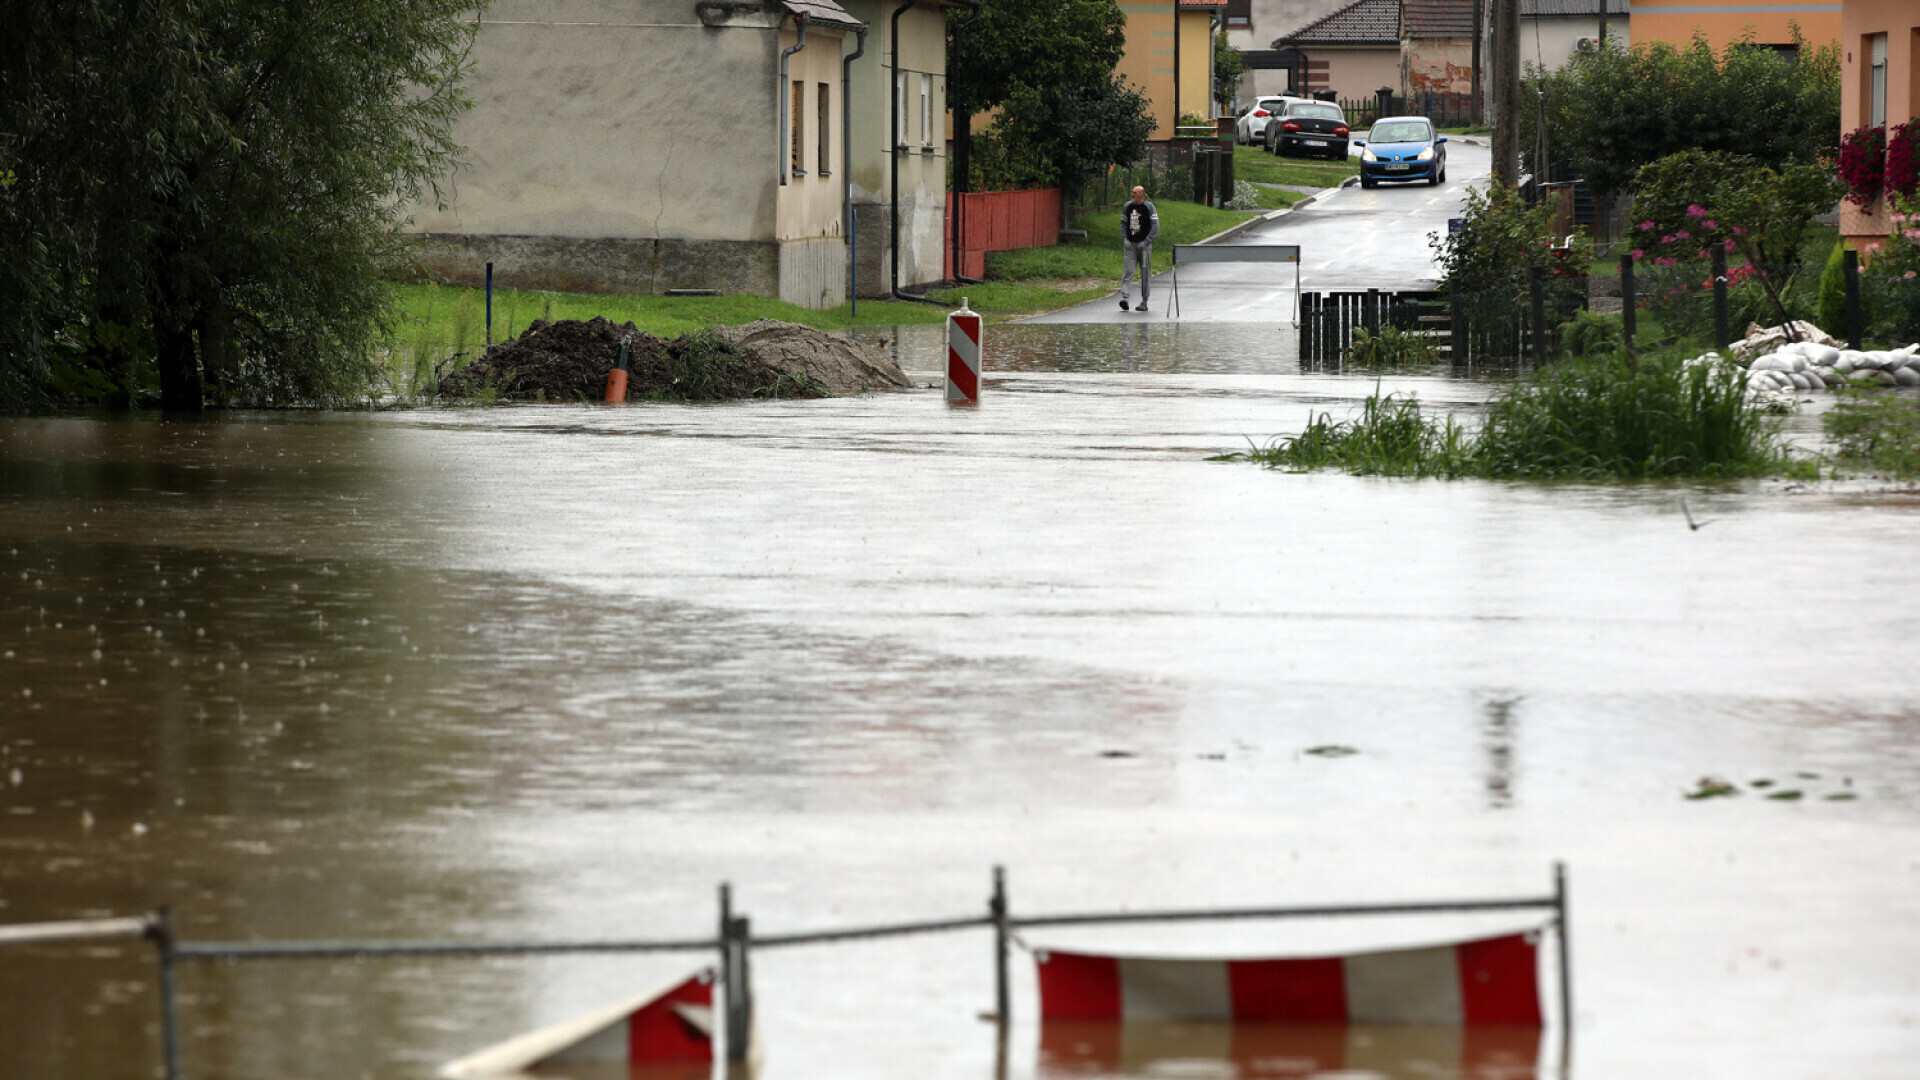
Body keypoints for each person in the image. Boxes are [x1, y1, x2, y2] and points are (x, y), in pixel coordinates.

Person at [1119, 186, 1158, 313]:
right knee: (1128, 270)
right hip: (1130, 245)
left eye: (1135, 193)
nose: (1132, 195)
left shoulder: (1149, 207)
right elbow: (1123, 224)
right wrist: (1125, 239)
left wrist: (1147, 241)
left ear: (1142, 194)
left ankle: (1144, 300)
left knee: (1145, 271)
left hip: (1144, 247)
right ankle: (1125, 298)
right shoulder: (1127, 206)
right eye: (1132, 192)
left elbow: (1155, 226)